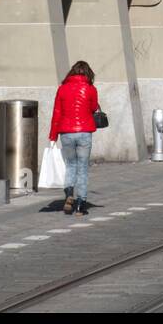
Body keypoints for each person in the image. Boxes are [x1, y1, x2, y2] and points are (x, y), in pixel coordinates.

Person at [49, 59, 100, 217]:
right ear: (88, 73)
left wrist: (53, 136)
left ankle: (69, 192)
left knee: (70, 165)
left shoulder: (62, 89)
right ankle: (80, 205)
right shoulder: (91, 89)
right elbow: (93, 108)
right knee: (83, 167)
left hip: (66, 132)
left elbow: (57, 113)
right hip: (84, 132)